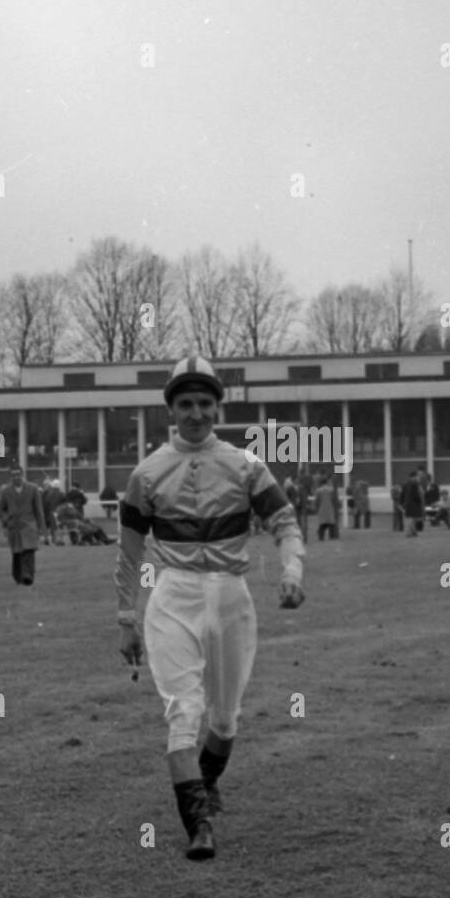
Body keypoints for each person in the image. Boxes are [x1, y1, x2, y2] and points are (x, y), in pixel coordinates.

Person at [115, 356, 304, 862]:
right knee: (183, 711)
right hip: (174, 596)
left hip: (230, 595)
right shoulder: (147, 473)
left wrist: (292, 570)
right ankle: (198, 825)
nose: (195, 413)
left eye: (204, 403)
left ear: (218, 407)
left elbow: (284, 520)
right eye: (185, 404)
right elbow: (130, 550)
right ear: (171, 411)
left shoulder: (246, 466)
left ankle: (209, 781)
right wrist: (126, 616)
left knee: (224, 719)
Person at [0, 465, 46, 585]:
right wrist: (5, 520)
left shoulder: (33, 489)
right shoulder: (5, 491)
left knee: (28, 551)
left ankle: (28, 576)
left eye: (18, 474)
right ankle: (18, 576)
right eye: (13, 475)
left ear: (22, 475)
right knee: (17, 552)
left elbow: (38, 510)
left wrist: (42, 529)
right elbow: (1, 509)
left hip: (29, 526)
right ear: (10, 477)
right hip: (14, 526)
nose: (16, 477)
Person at [314, 474, 339, 540]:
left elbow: (316, 501)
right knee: (331, 524)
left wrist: (315, 508)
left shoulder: (318, 491)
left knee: (322, 525)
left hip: (322, 509)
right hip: (330, 509)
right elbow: (334, 500)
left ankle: (321, 537)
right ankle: (332, 537)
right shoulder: (331, 490)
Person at [401, 469, 426, 536]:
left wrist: (402, 502)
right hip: (413, 503)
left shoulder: (405, 483)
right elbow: (416, 494)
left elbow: (402, 494)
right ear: (414, 476)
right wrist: (419, 501)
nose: (417, 478)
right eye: (417, 476)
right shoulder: (415, 483)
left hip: (407, 503)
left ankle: (414, 532)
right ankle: (409, 533)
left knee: (411, 518)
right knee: (411, 519)